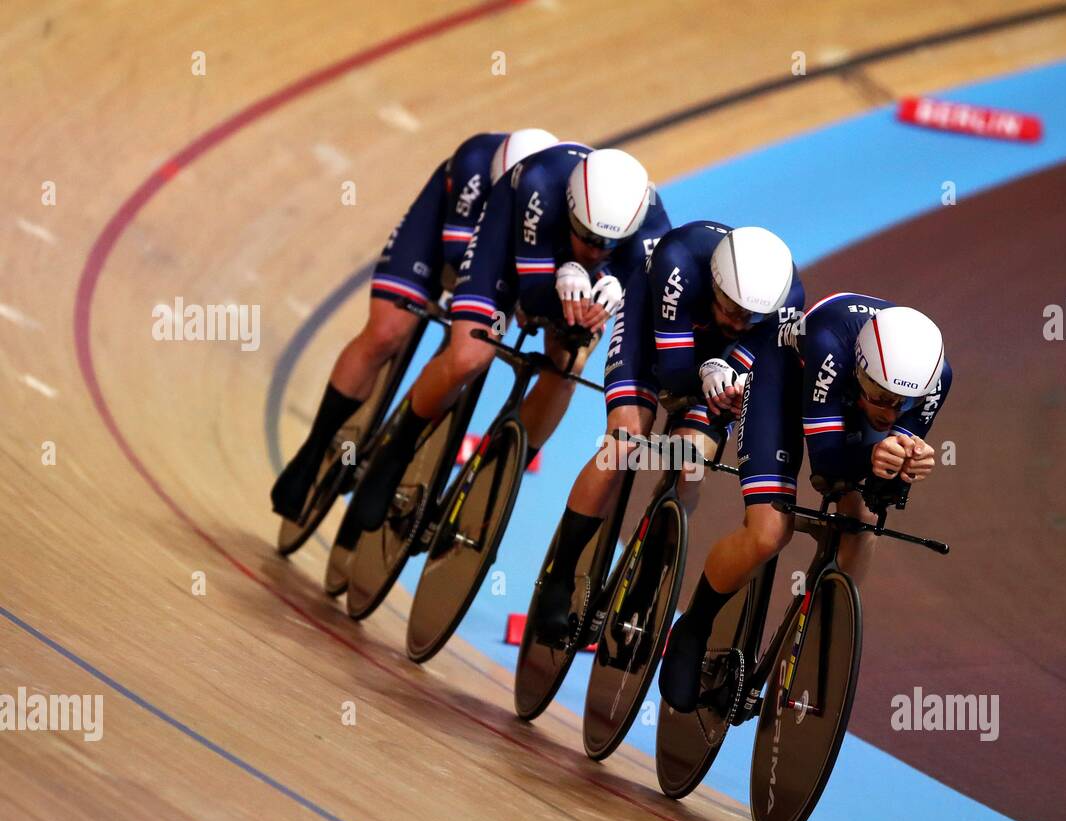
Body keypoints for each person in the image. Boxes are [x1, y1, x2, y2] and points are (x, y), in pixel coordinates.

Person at [344, 143, 672, 534]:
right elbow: (531, 297)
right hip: (508, 252)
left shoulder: (654, 228)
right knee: (470, 357)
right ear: (570, 205)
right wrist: (564, 276)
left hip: (581, 279)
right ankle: (396, 452)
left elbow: (640, 299)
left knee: (569, 365)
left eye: (608, 243)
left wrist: (611, 288)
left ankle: (496, 478)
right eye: (586, 235)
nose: (595, 248)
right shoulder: (539, 183)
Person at [659, 293, 954, 712]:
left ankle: (817, 634)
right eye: (881, 396)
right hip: (783, 384)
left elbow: (885, 481)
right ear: (860, 367)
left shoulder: (936, 378)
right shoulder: (829, 343)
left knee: (864, 519)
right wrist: (872, 455)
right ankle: (693, 626)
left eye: (901, 403)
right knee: (768, 533)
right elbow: (828, 465)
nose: (891, 413)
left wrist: (906, 465)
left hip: (849, 406)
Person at [531, 223, 805, 646]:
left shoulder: (786, 300)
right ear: (713, 282)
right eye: (731, 308)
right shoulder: (678, 261)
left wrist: (729, 375)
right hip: (651, 332)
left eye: (750, 317)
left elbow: (754, 357)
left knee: (691, 463)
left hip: (716, 362)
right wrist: (708, 370)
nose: (738, 321)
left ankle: (647, 579)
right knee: (624, 442)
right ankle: (559, 573)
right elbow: (674, 377)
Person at [270, 128, 558, 519]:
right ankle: (313, 449)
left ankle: (400, 446)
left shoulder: (552, 196)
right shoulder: (476, 162)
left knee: (466, 356)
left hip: (506, 251)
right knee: (388, 332)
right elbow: (460, 258)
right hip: (442, 231)